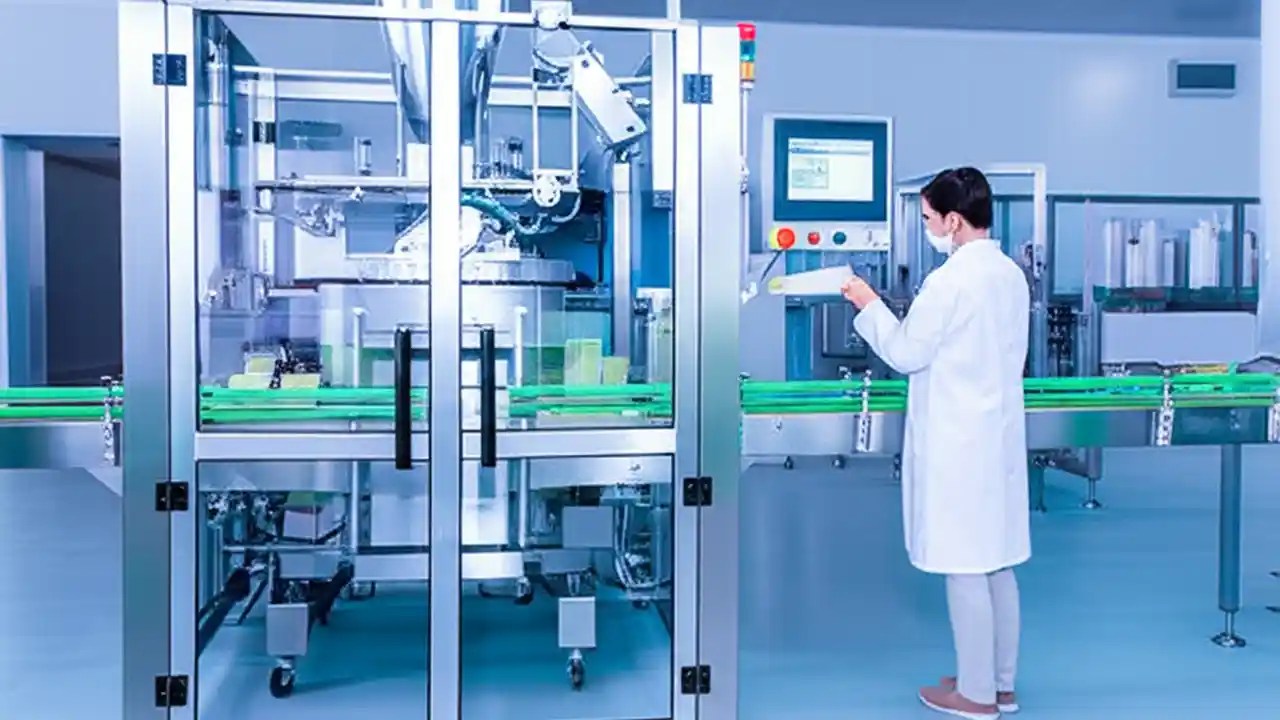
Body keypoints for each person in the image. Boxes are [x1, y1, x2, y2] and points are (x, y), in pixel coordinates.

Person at [841, 167, 1031, 719]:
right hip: (995, 437)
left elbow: (906, 353)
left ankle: (974, 696)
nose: (926, 228)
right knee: (997, 563)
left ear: (953, 220)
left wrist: (867, 304)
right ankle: (1000, 684)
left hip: (959, 442)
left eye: (928, 218)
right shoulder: (1009, 275)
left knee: (965, 565)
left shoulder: (950, 281)